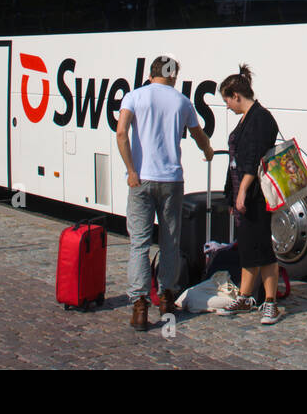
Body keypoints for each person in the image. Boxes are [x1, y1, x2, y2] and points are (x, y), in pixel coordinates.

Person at [116, 55, 214, 332]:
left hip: (141, 180)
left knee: (139, 243)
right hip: (171, 181)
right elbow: (198, 135)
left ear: (151, 73)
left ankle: (139, 306)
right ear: (173, 76)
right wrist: (207, 152)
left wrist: (131, 170)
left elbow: (121, 133)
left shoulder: (134, 97)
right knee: (170, 242)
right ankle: (167, 298)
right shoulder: (182, 101)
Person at [216, 64, 284, 325]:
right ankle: (245, 295)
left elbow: (253, 161)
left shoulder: (260, 118)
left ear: (236, 95)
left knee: (262, 247)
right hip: (242, 193)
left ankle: (270, 302)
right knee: (247, 247)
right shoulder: (247, 118)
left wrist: (242, 193)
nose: (227, 106)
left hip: (255, 196)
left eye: (227, 100)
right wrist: (231, 194)